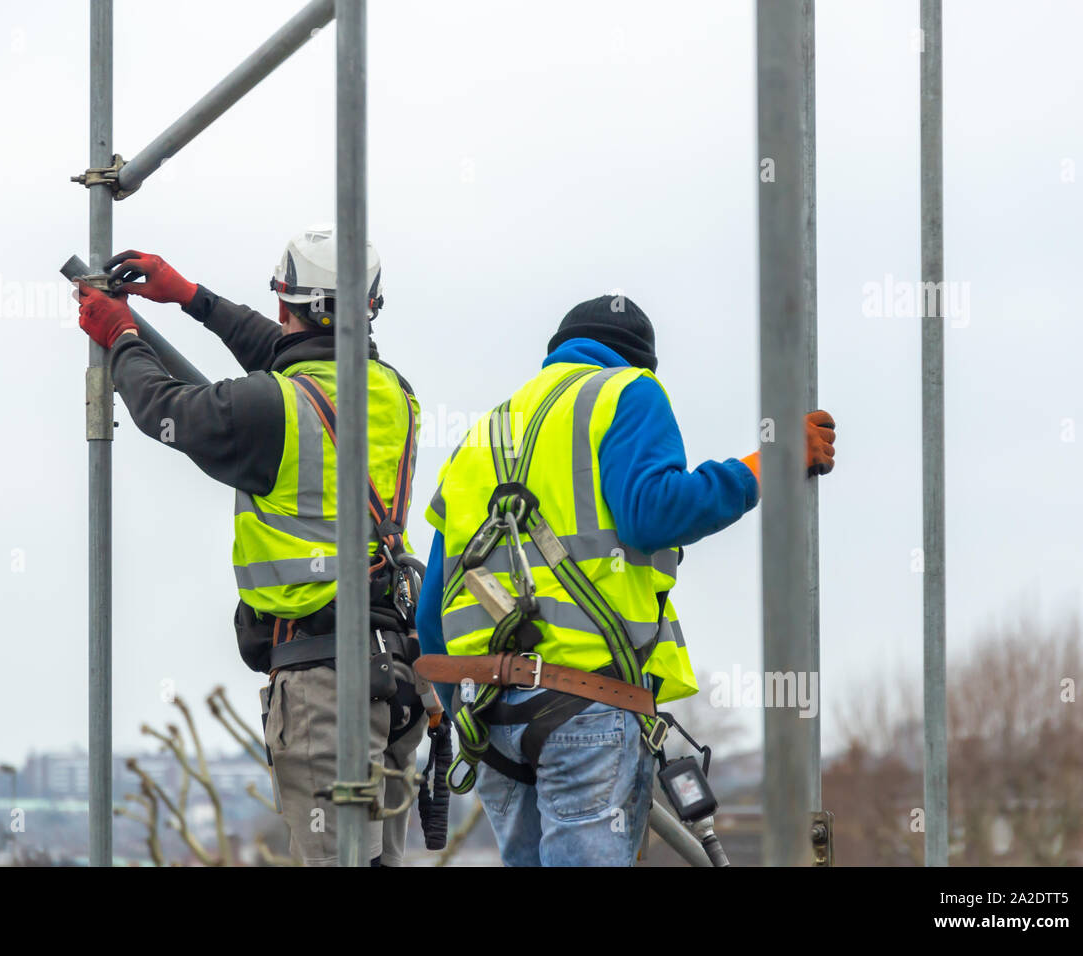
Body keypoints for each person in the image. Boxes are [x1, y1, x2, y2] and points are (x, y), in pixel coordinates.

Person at [413, 294, 837, 866]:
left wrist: (463, 712)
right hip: (586, 706)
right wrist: (769, 464)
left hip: (490, 720)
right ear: (639, 362)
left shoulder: (482, 436)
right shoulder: (628, 392)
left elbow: (431, 614)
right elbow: (653, 511)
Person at [74, 225, 438, 866]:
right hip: (396, 678)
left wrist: (122, 337)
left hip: (325, 685)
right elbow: (290, 353)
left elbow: (165, 409)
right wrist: (192, 298)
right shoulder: (392, 394)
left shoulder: (274, 407)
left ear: (282, 301)